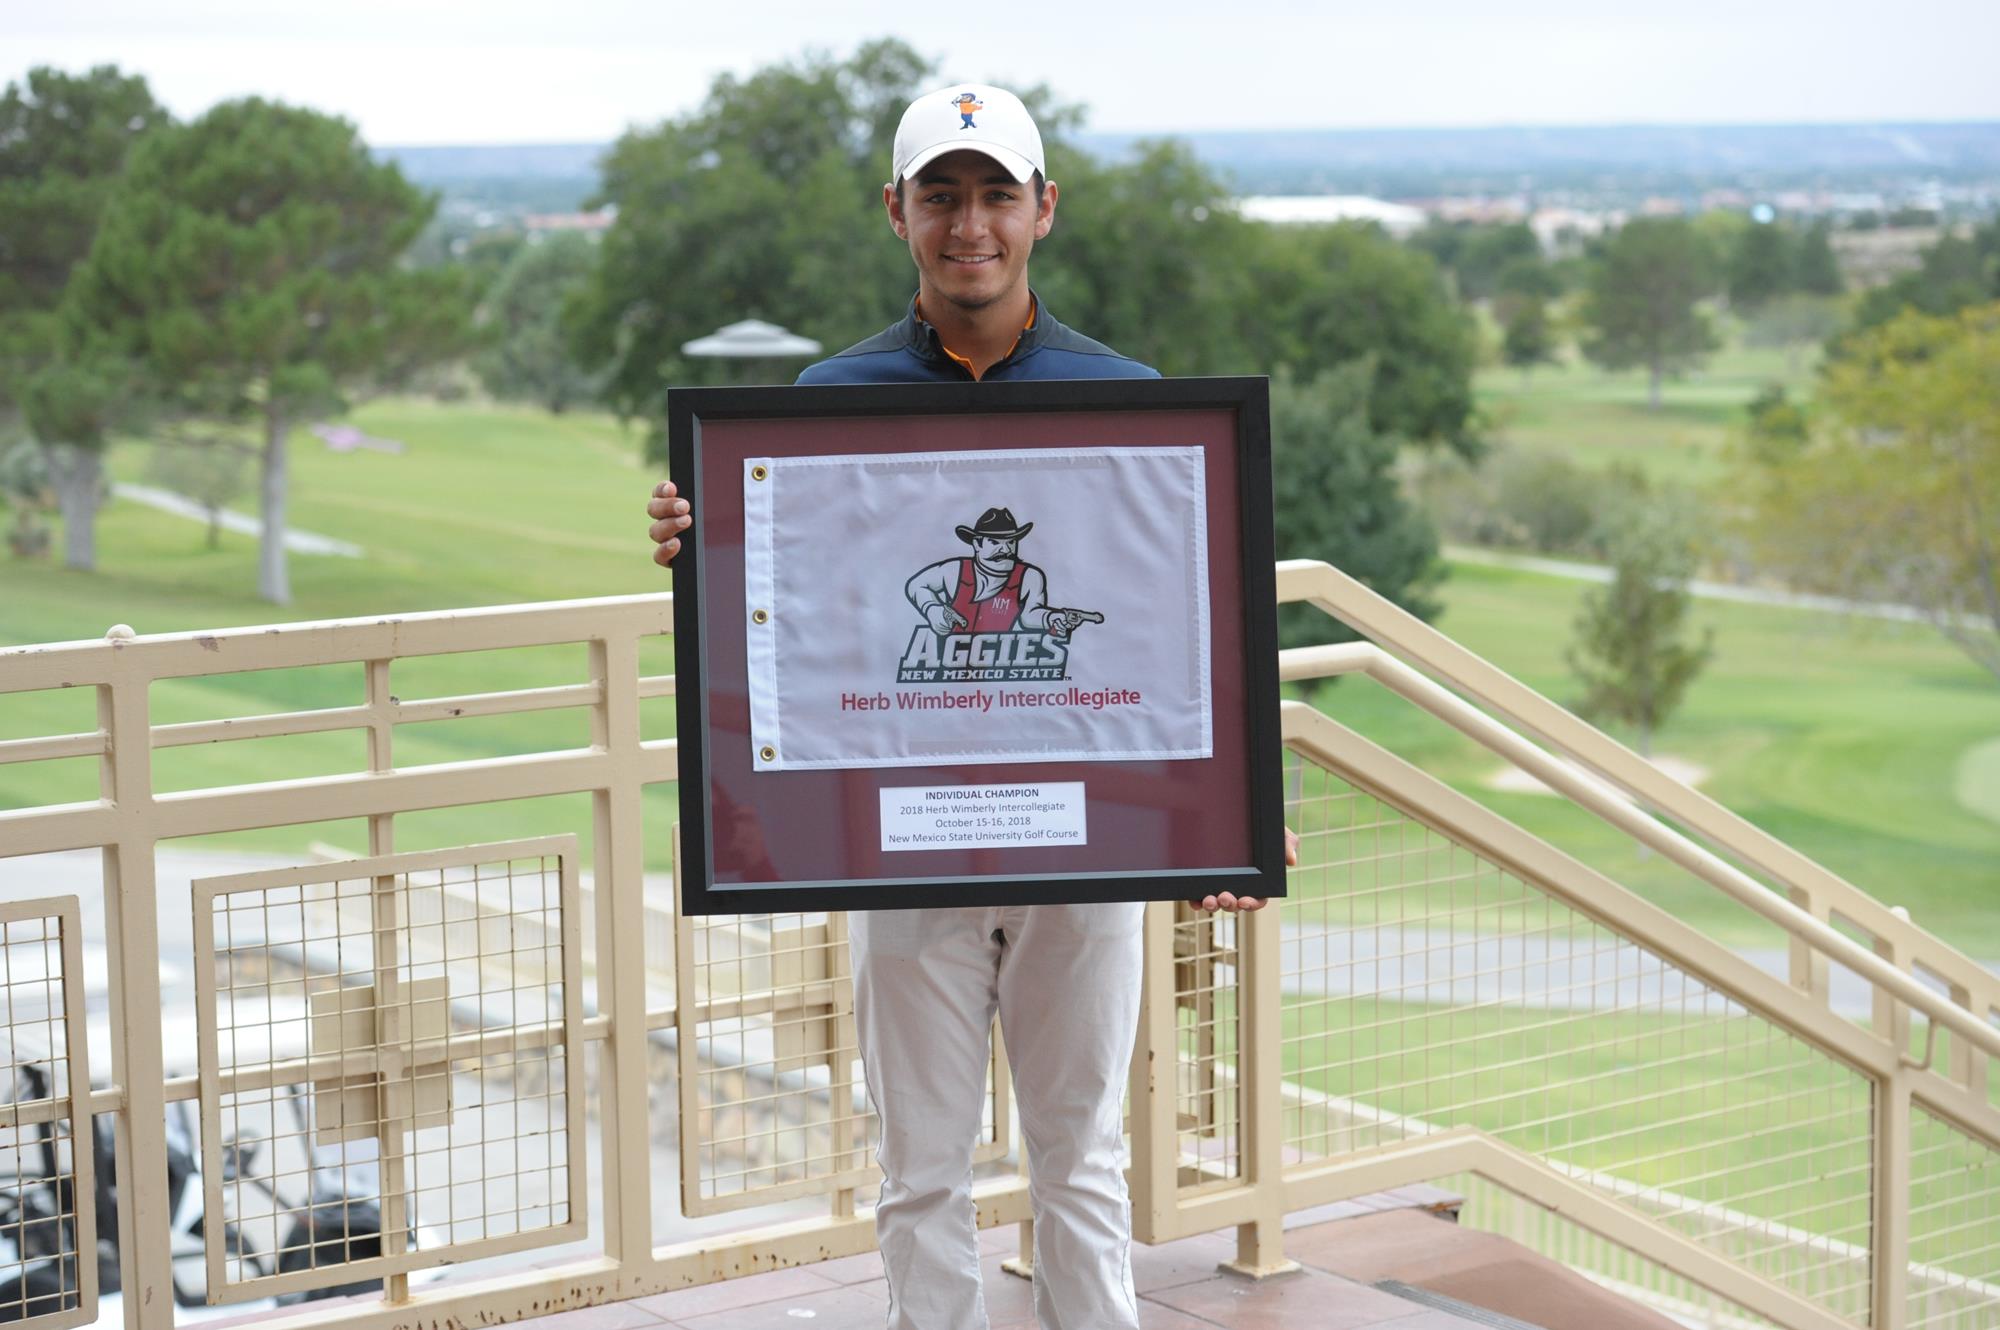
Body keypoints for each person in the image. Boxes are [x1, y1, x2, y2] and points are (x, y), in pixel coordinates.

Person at [646, 83, 1289, 1330]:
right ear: (895, 211)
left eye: (996, 194)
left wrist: (1234, 813)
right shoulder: (824, 397)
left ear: (1043, 208)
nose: (969, 224)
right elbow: (800, 611)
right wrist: (704, 534)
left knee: (1082, 1155)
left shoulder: (1127, 395)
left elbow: (1179, 628)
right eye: (940, 196)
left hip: (1085, 844)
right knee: (919, 1167)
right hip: (904, 845)